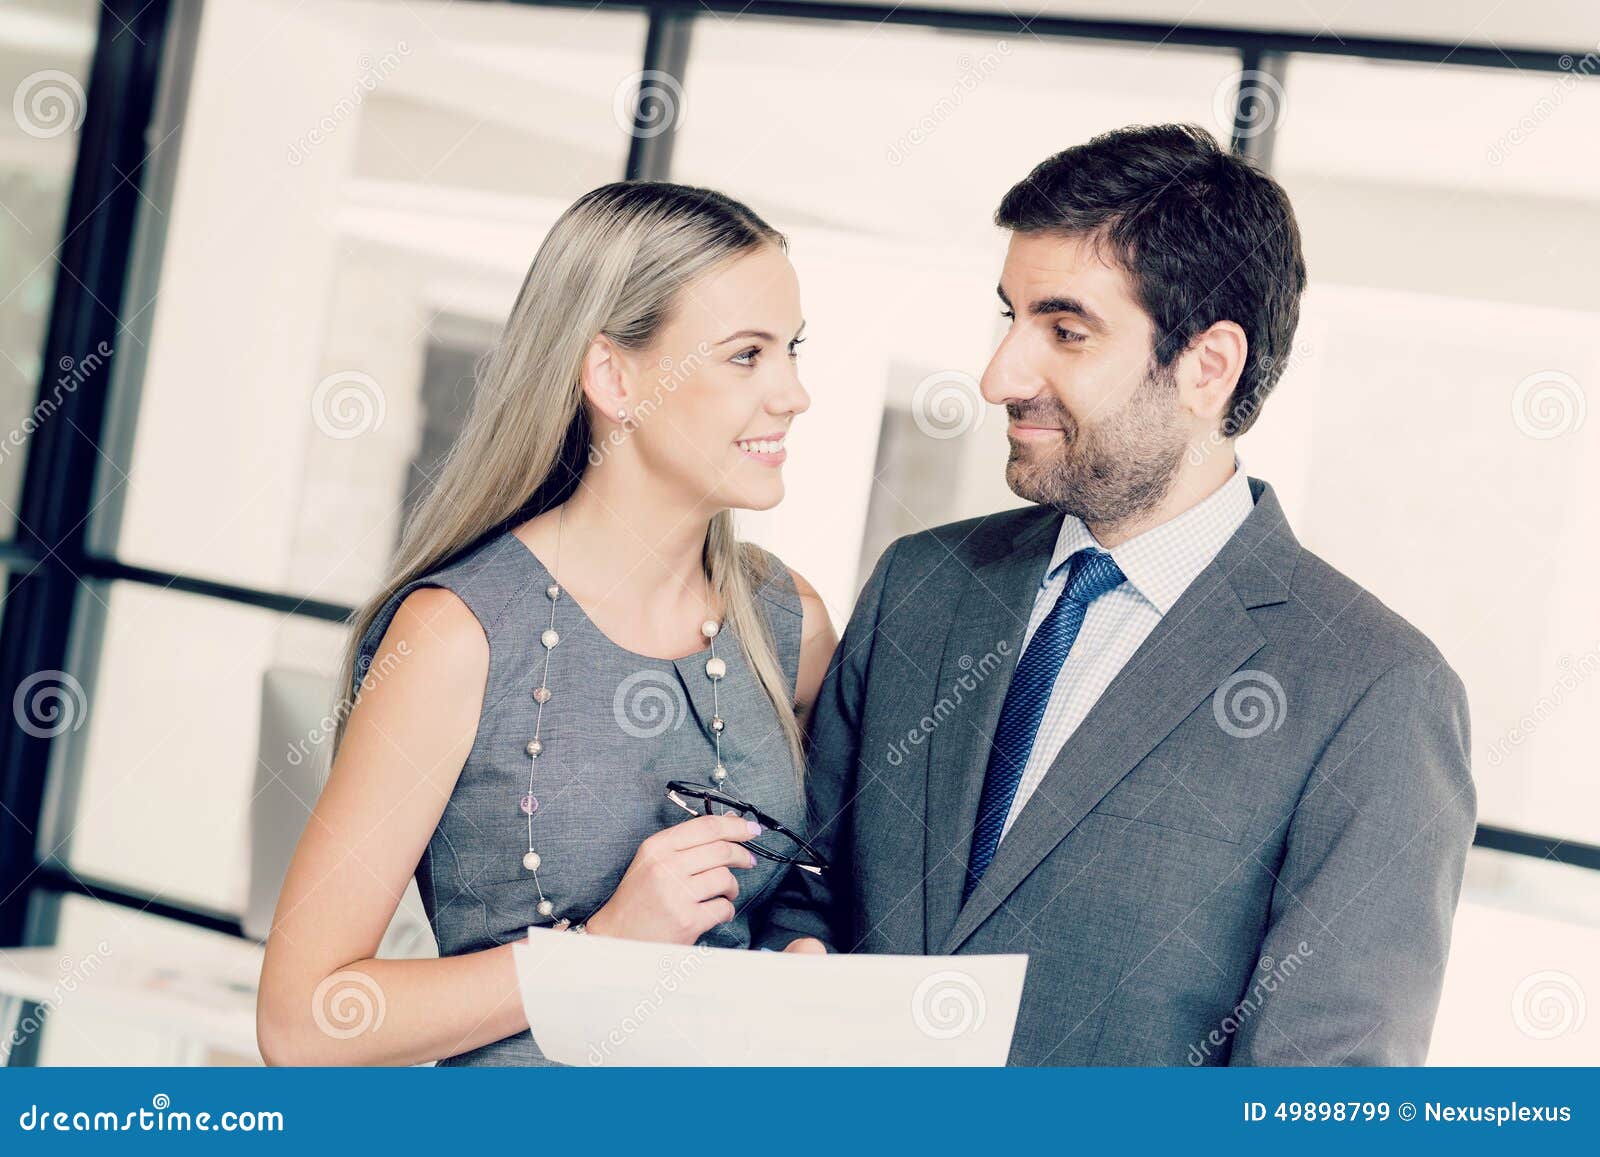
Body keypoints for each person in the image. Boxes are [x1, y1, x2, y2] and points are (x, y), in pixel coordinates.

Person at [759, 124, 1477, 1066]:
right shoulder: (919, 585)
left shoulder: (1376, 690)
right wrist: (794, 967)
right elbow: (804, 880)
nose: (998, 375)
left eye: (1064, 331)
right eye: (1008, 318)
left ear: (1207, 366)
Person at [257, 182, 836, 1067]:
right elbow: (302, 1022)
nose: (793, 393)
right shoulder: (457, 638)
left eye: (791, 350)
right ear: (613, 376)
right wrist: (600, 951)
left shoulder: (787, 622)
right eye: (746, 356)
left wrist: (801, 953)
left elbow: (811, 889)